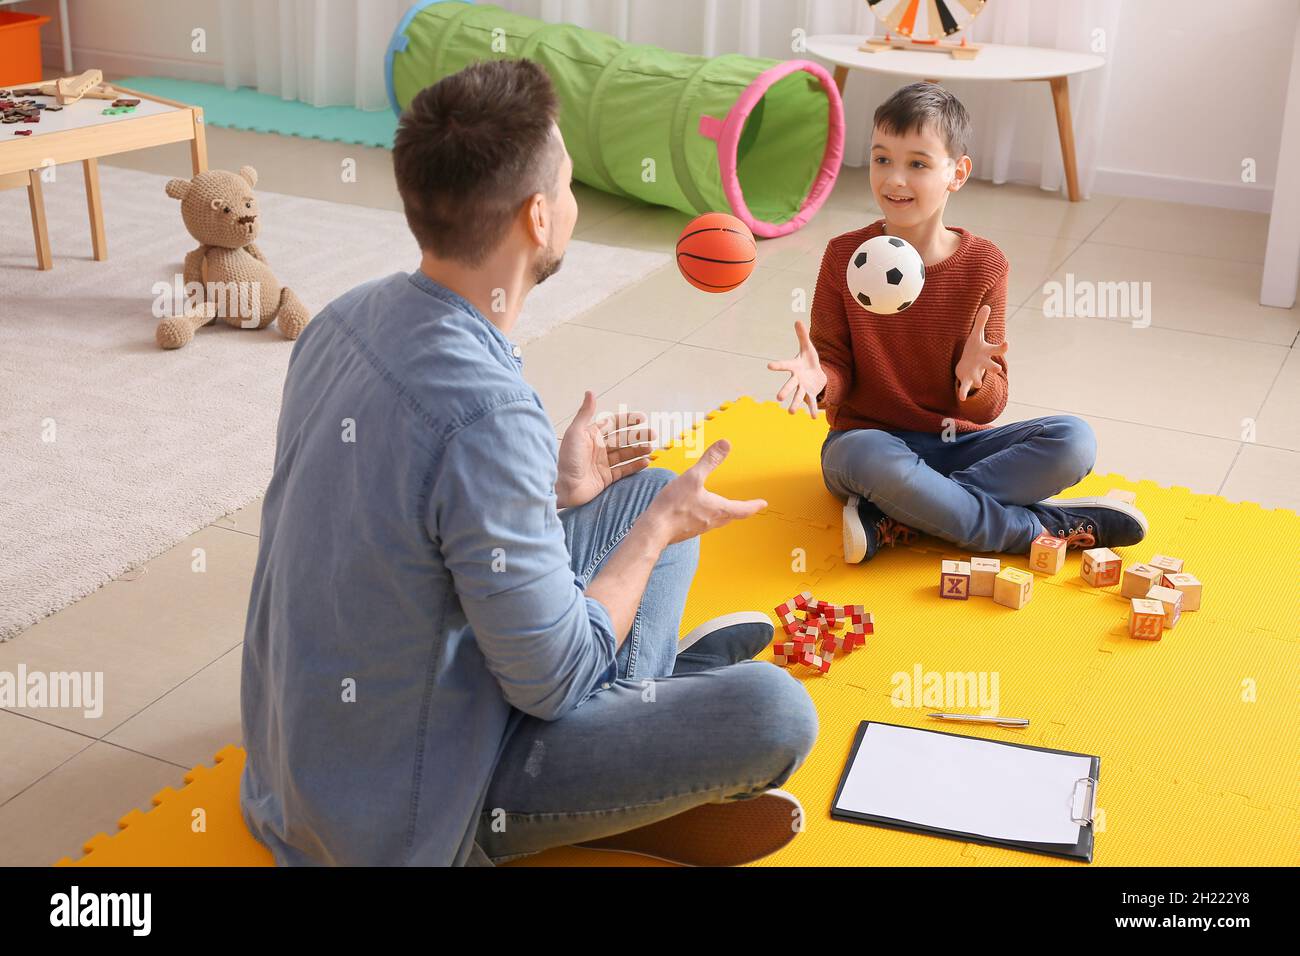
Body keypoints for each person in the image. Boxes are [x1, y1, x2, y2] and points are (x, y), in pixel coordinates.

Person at [239, 58, 819, 867]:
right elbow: (555, 682)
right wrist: (651, 536)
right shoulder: (486, 411)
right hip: (406, 812)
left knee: (643, 487)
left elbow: (406, 516)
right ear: (539, 218)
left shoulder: (342, 317)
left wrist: (558, 489)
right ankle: (638, 758)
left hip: (297, 761)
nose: (577, 205)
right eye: (572, 186)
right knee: (772, 713)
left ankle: (656, 714)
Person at [768, 82, 1148, 563]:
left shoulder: (985, 264)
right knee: (859, 454)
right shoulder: (844, 255)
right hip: (869, 448)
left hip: (957, 445)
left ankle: (903, 515)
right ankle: (1038, 529)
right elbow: (836, 364)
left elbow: (988, 410)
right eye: (882, 159)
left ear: (957, 173)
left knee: (1074, 440)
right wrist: (823, 379)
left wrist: (974, 379)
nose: (894, 179)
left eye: (918, 164)